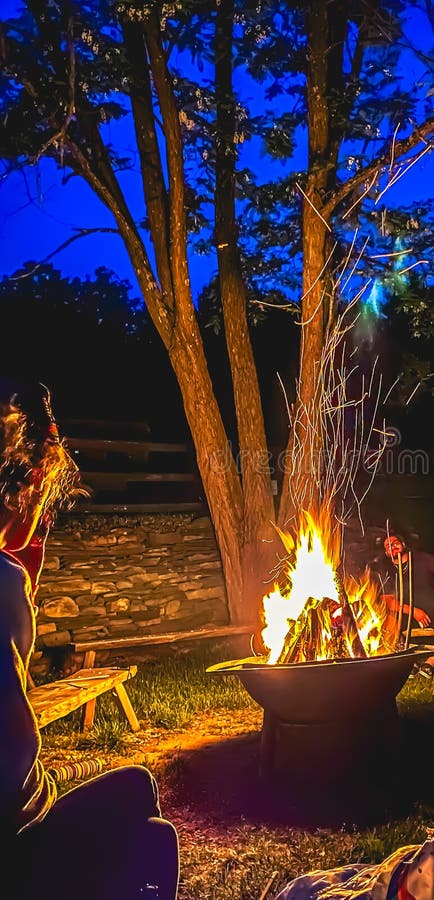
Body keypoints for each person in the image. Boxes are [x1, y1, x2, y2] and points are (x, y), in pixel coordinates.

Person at [0, 377, 180, 900]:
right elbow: (13, 767)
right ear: (29, 480)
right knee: (152, 832)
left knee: (137, 787)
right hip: (14, 849)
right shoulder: (4, 583)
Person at [377, 528, 434, 678]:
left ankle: (429, 664)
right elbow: (387, 601)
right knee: (385, 622)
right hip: (403, 613)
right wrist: (413, 611)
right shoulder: (385, 569)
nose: (392, 547)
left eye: (395, 543)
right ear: (386, 552)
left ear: (403, 544)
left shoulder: (420, 558)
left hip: (430, 611)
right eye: (388, 546)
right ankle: (408, 662)